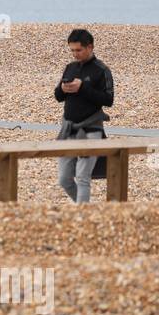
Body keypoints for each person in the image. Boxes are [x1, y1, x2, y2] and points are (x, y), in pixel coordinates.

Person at [53, 28, 114, 204]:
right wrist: (62, 89)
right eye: (71, 50)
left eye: (78, 50)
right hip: (68, 129)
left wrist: (83, 88)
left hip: (92, 129)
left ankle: (83, 214)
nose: (75, 54)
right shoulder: (70, 68)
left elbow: (108, 100)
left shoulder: (101, 70)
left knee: (82, 176)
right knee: (64, 179)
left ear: (90, 47)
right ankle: (88, 209)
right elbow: (58, 97)